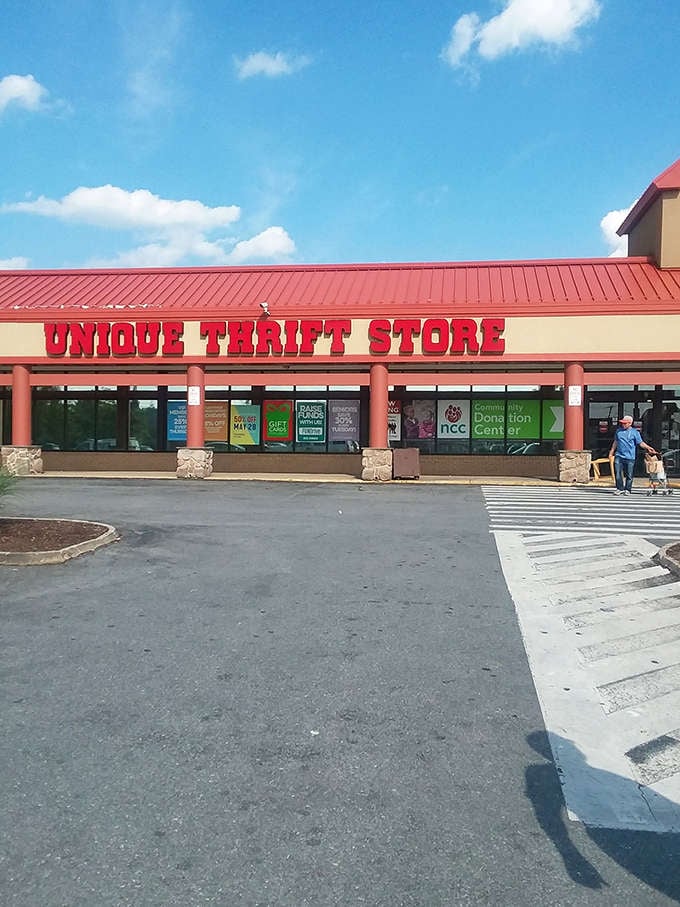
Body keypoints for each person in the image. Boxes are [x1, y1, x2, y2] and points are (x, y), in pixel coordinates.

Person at [609, 414, 656, 495]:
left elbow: (640, 443)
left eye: (625, 423)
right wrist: (611, 451)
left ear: (630, 423)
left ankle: (628, 489)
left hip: (630, 456)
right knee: (618, 474)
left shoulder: (635, 432)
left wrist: (648, 448)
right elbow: (615, 442)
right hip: (619, 455)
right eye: (622, 423)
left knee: (629, 474)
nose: (623, 424)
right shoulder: (618, 431)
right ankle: (619, 488)